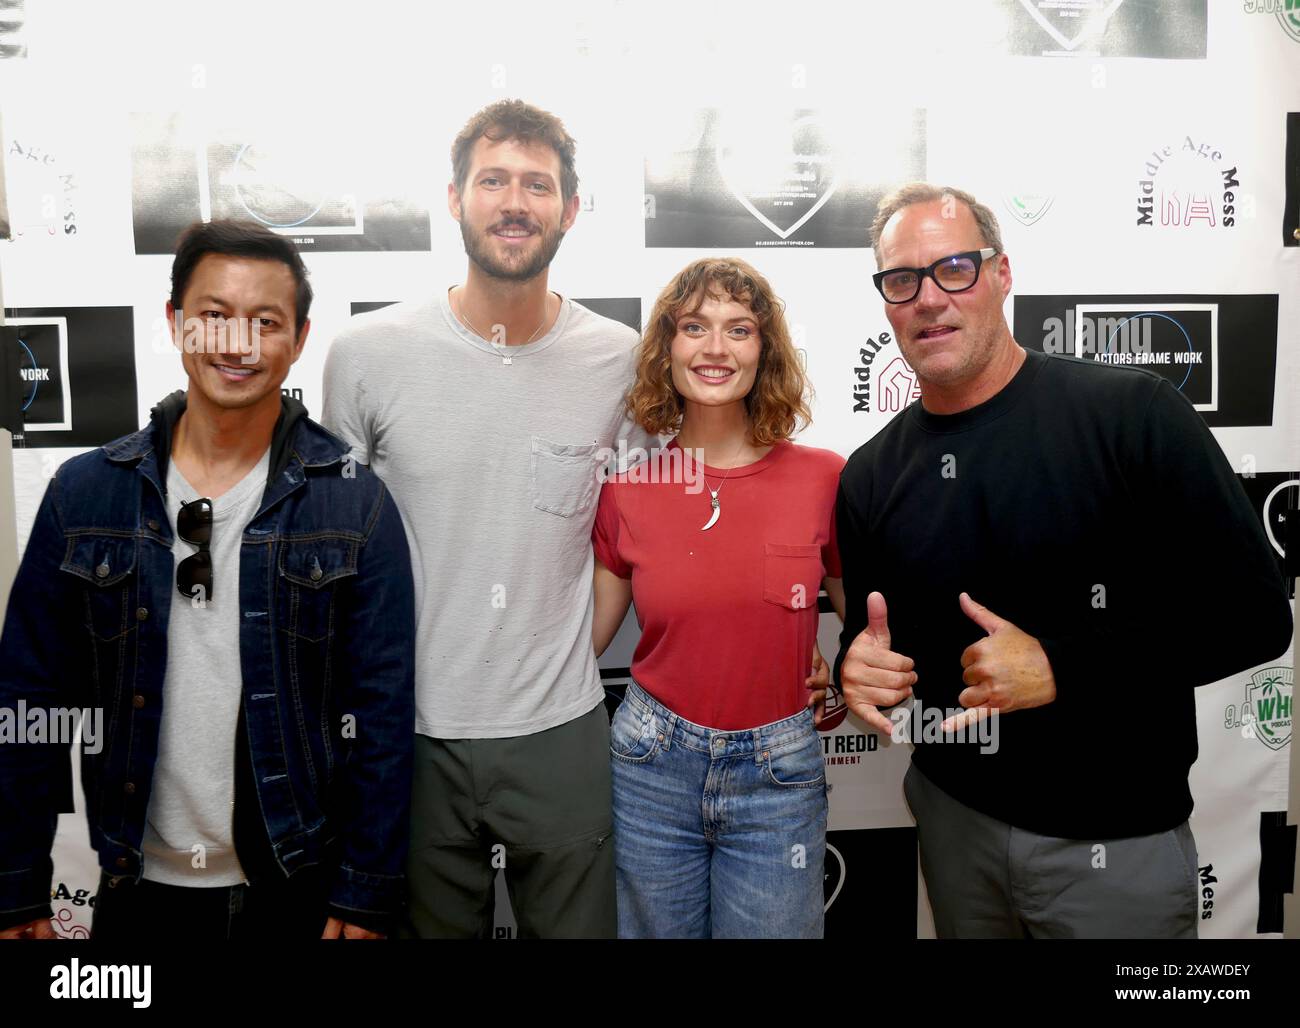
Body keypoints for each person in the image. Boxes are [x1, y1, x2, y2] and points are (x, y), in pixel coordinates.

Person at [834, 182, 1294, 939]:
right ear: (885, 300)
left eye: (954, 268)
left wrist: (1062, 665)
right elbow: (880, 641)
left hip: (1115, 847)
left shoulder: (1133, 416)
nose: (927, 298)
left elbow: (1254, 618)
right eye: (901, 280)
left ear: (1002, 273)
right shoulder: (870, 475)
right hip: (954, 830)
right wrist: (863, 668)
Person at [0, 219, 415, 940]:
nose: (237, 343)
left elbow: (379, 715)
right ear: (175, 324)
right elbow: (28, 703)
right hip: (140, 888)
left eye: (265, 321)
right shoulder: (86, 492)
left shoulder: (352, 500)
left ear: (300, 339)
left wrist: (365, 891)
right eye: (214, 317)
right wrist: (15, 885)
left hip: (297, 887)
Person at [323, 100, 647, 939]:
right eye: (493, 180)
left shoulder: (623, 361)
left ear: (570, 210)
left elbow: (639, 537)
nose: (515, 202)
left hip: (563, 730)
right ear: (454, 198)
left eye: (538, 184)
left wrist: (575, 652)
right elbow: (334, 554)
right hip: (411, 734)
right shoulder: (367, 356)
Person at [591, 257, 845, 938]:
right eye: (694, 326)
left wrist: (844, 674)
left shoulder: (824, 479)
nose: (714, 348)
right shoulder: (628, 488)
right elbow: (580, 644)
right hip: (649, 767)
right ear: (666, 348)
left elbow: (864, 630)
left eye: (739, 329)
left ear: (764, 351)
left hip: (779, 776)